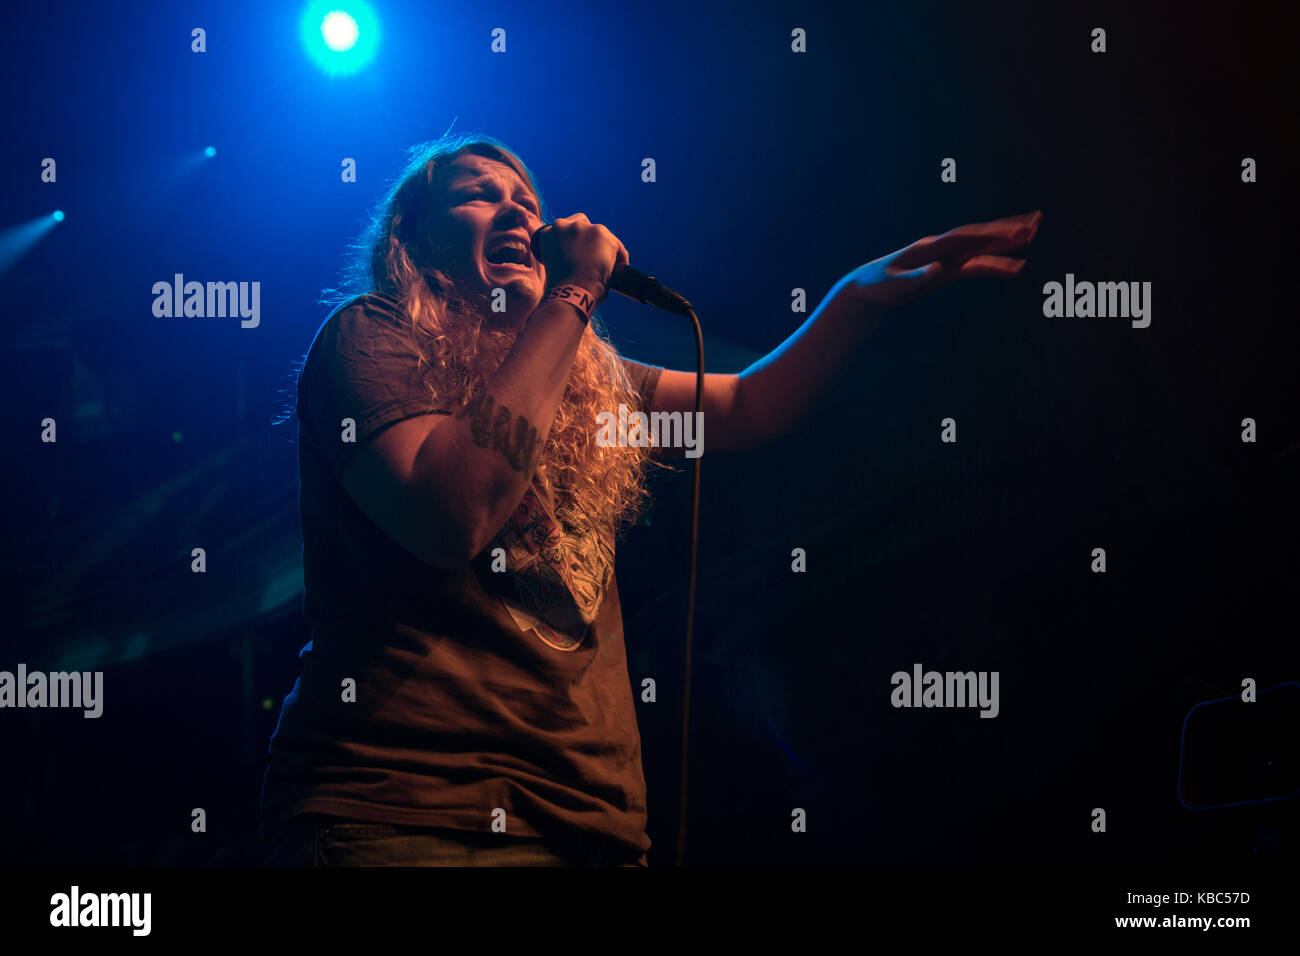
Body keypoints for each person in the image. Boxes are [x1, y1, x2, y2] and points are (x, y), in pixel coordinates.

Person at [259, 132, 1041, 866]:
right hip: (410, 811)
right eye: (477, 194)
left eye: (527, 201)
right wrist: (572, 292)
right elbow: (451, 514)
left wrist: (855, 298)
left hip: (591, 824)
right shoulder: (372, 336)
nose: (517, 212)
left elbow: (748, 406)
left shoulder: (588, 379)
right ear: (412, 233)